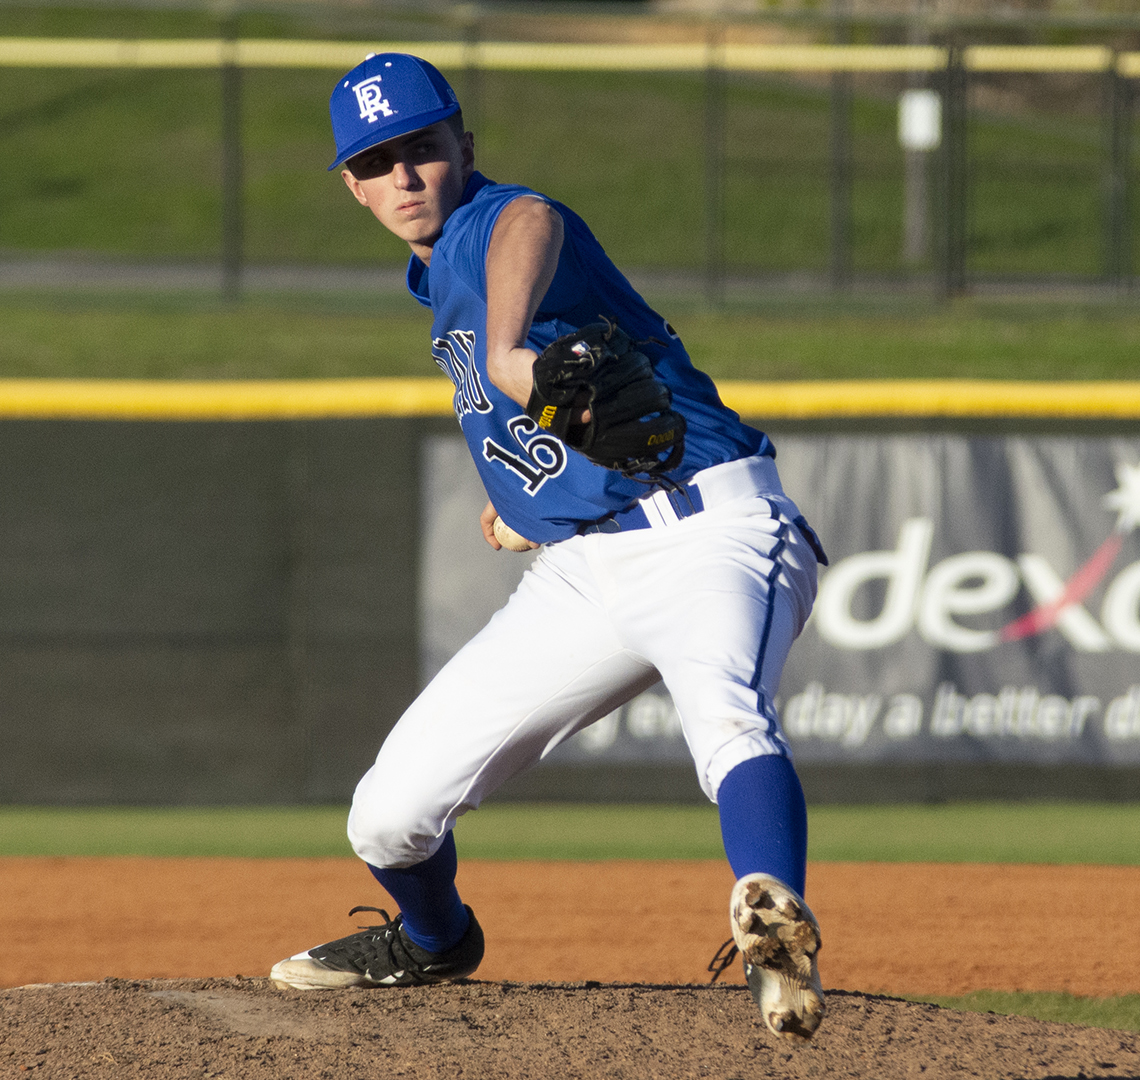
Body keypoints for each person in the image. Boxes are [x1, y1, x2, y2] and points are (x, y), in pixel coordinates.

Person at [268, 53, 829, 1042]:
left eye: (423, 150)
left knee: (728, 723)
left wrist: (506, 346)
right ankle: (434, 940)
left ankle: (774, 926)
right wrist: (530, 507)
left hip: (711, 528)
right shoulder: (434, 262)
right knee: (386, 817)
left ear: (464, 150)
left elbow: (535, 218)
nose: (404, 177)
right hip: (585, 568)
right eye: (376, 163)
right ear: (350, 185)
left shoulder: (495, 222)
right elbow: (552, 418)